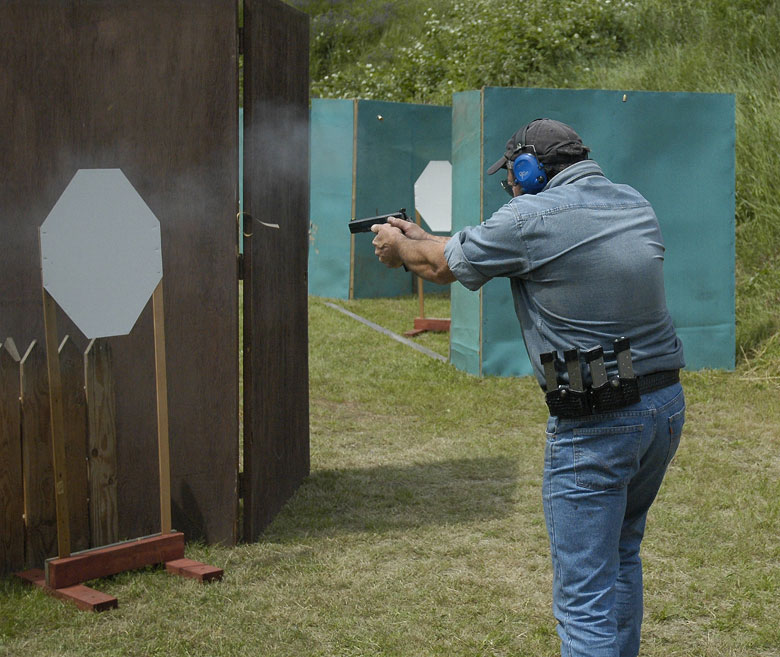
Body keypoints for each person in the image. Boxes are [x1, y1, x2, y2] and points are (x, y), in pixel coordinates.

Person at [370, 118, 686, 657]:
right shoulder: (633, 201)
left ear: (530, 170)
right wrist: (421, 237)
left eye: (512, 177)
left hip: (596, 420)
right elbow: (472, 245)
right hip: (663, 408)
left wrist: (400, 248)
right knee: (620, 556)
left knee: (583, 596)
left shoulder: (529, 216)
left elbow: (442, 268)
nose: (511, 187)